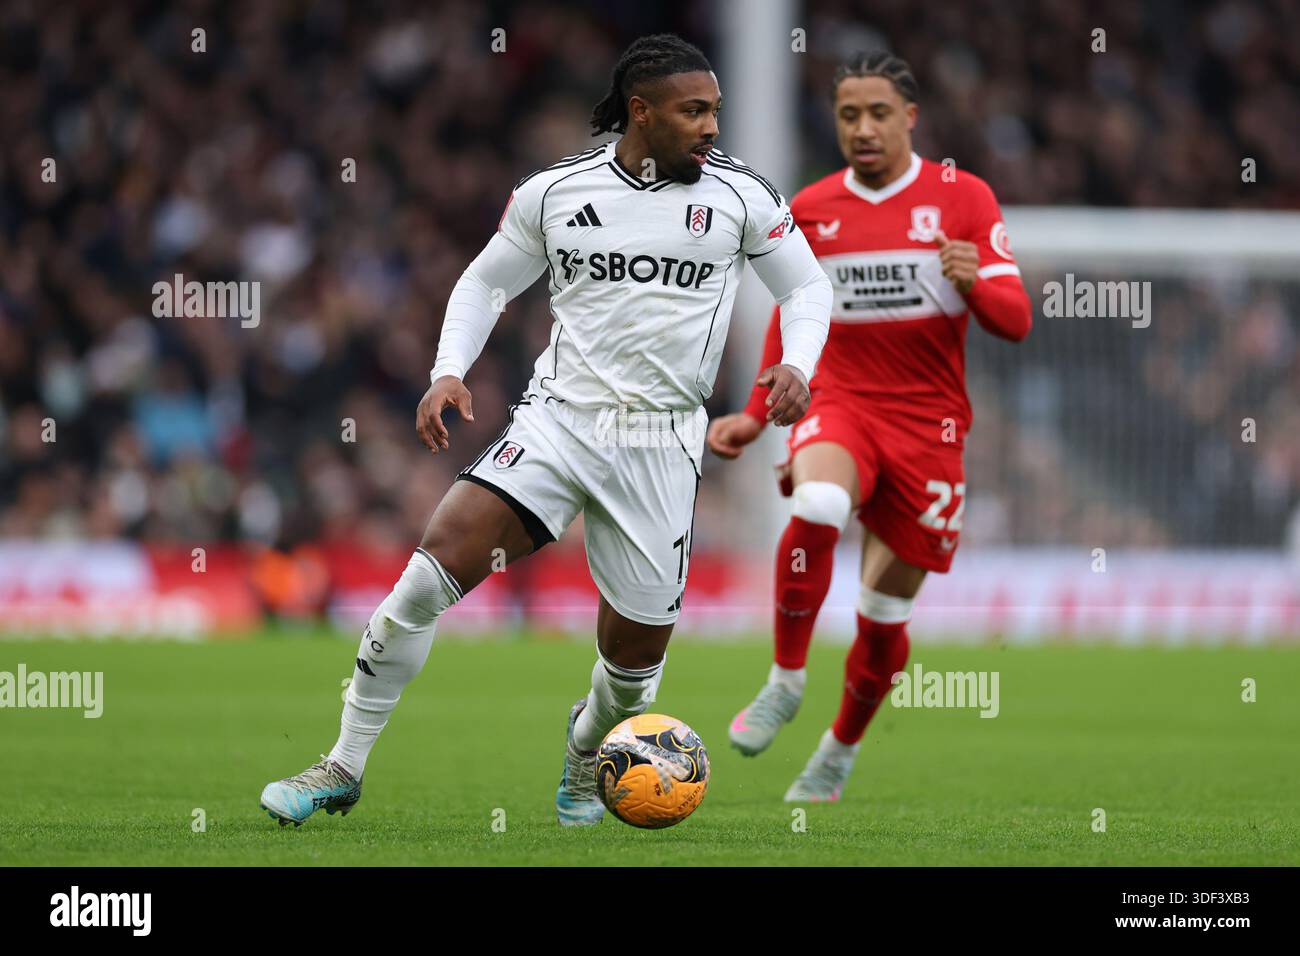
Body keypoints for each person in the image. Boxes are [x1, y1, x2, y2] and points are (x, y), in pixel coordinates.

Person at [259, 33, 832, 827]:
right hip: (560, 423)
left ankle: (585, 746)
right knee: (424, 580)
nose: (711, 127)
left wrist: (800, 362)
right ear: (641, 111)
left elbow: (807, 288)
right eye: (693, 111)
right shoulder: (555, 192)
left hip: (662, 445)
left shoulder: (743, 197)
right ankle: (341, 765)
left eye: (716, 111)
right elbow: (486, 281)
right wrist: (448, 369)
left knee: (632, 674)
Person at [708, 52, 1031, 802]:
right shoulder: (813, 207)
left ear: (910, 118)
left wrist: (973, 279)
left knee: (884, 614)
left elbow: (1015, 322)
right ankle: (785, 680)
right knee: (817, 504)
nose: (863, 128)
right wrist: (756, 417)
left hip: (930, 426)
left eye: (878, 113)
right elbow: (793, 315)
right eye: (849, 114)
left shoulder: (965, 200)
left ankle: (839, 749)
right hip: (842, 401)